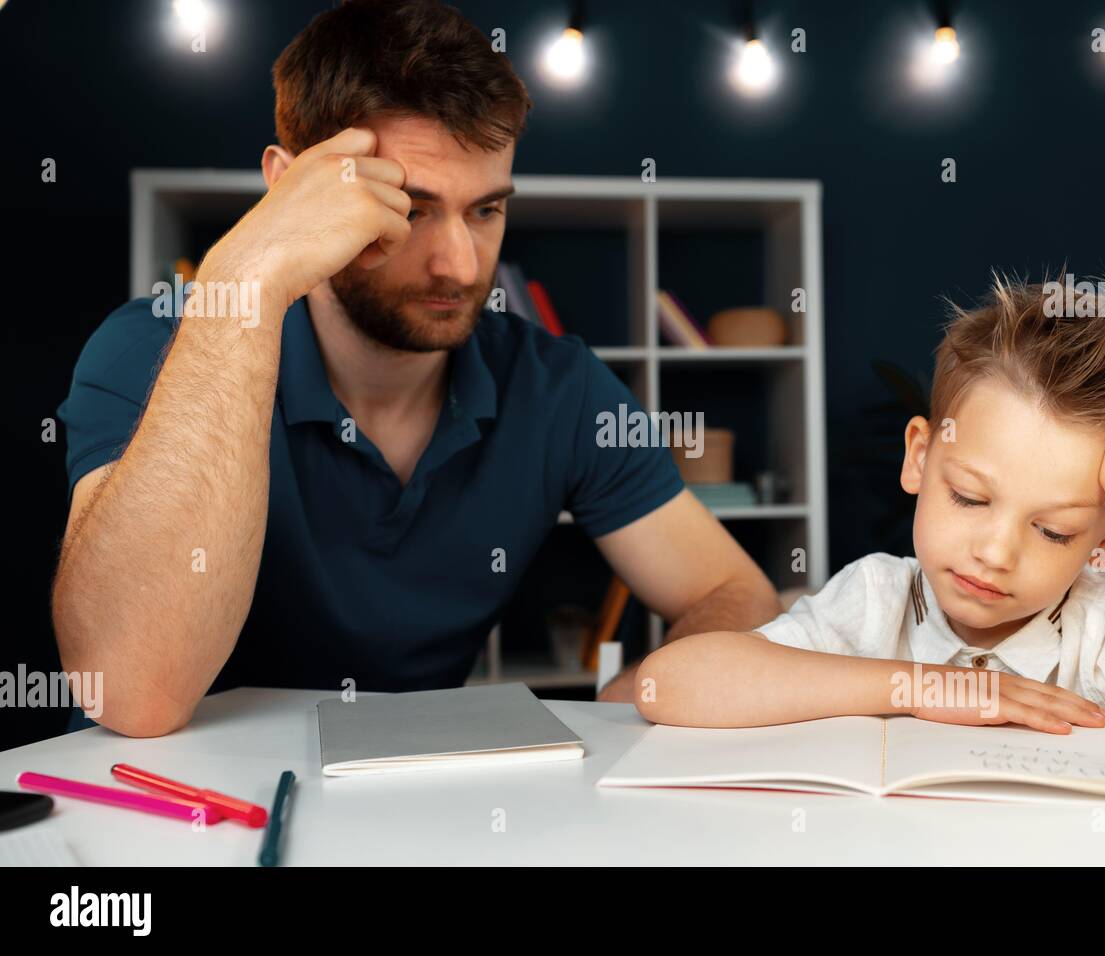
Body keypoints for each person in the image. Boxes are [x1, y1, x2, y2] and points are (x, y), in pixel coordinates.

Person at [52, 0, 779, 737]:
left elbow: (737, 594)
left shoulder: (558, 387)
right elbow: (132, 694)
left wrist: (625, 711)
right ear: (287, 189)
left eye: (487, 210)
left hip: (423, 811)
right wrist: (248, 269)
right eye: (409, 206)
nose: (460, 266)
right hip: (178, 819)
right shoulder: (153, 351)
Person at [635, 272, 1105, 766]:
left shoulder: (1104, 629)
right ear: (920, 456)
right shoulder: (876, 600)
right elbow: (668, 683)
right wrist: (924, 686)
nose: (996, 552)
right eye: (971, 498)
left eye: (1055, 530)